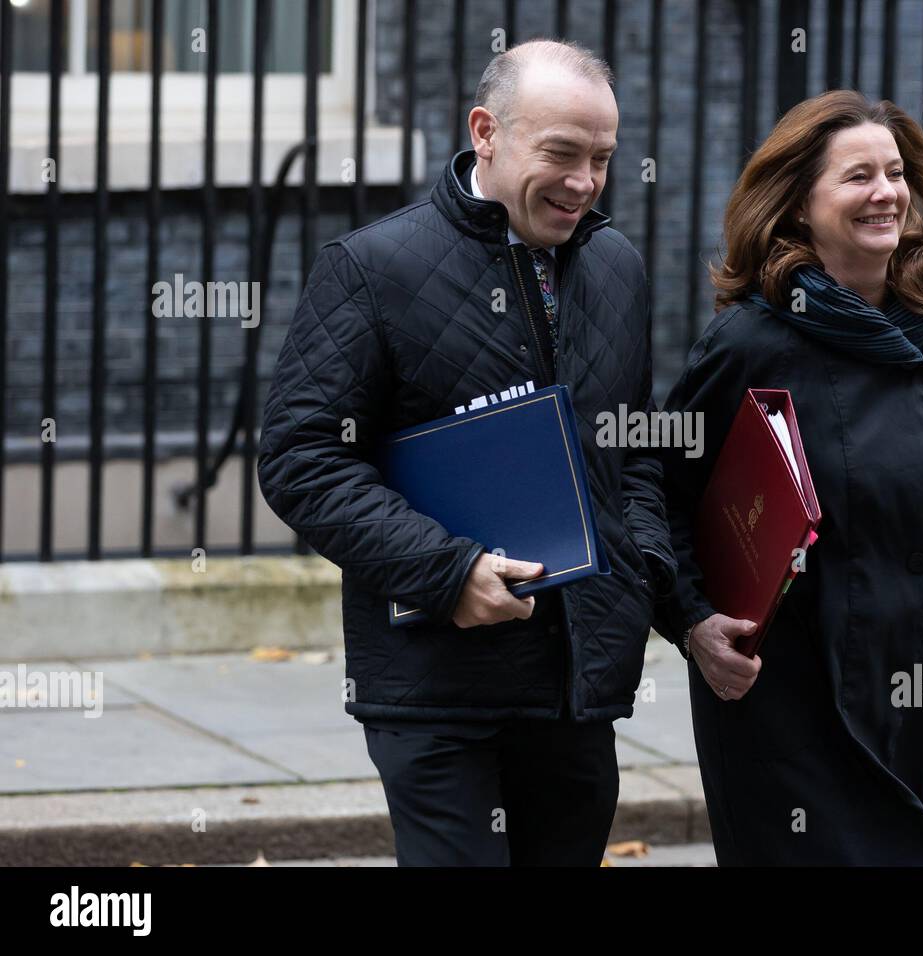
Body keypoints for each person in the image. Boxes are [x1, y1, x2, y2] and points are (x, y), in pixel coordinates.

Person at [257, 39, 676, 866]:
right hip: (436, 685)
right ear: (486, 131)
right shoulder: (372, 269)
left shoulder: (617, 266)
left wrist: (647, 575)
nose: (585, 182)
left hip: (577, 685)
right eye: (561, 152)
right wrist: (448, 573)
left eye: (601, 158)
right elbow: (302, 458)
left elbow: (635, 451)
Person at [656, 90, 923, 865]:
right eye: (857, 176)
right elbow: (658, 497)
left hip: (921, 709)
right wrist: (693, 622)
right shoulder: (747, 343)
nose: (885, 193)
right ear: (797, 205)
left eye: (895, 173)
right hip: (791, 714)